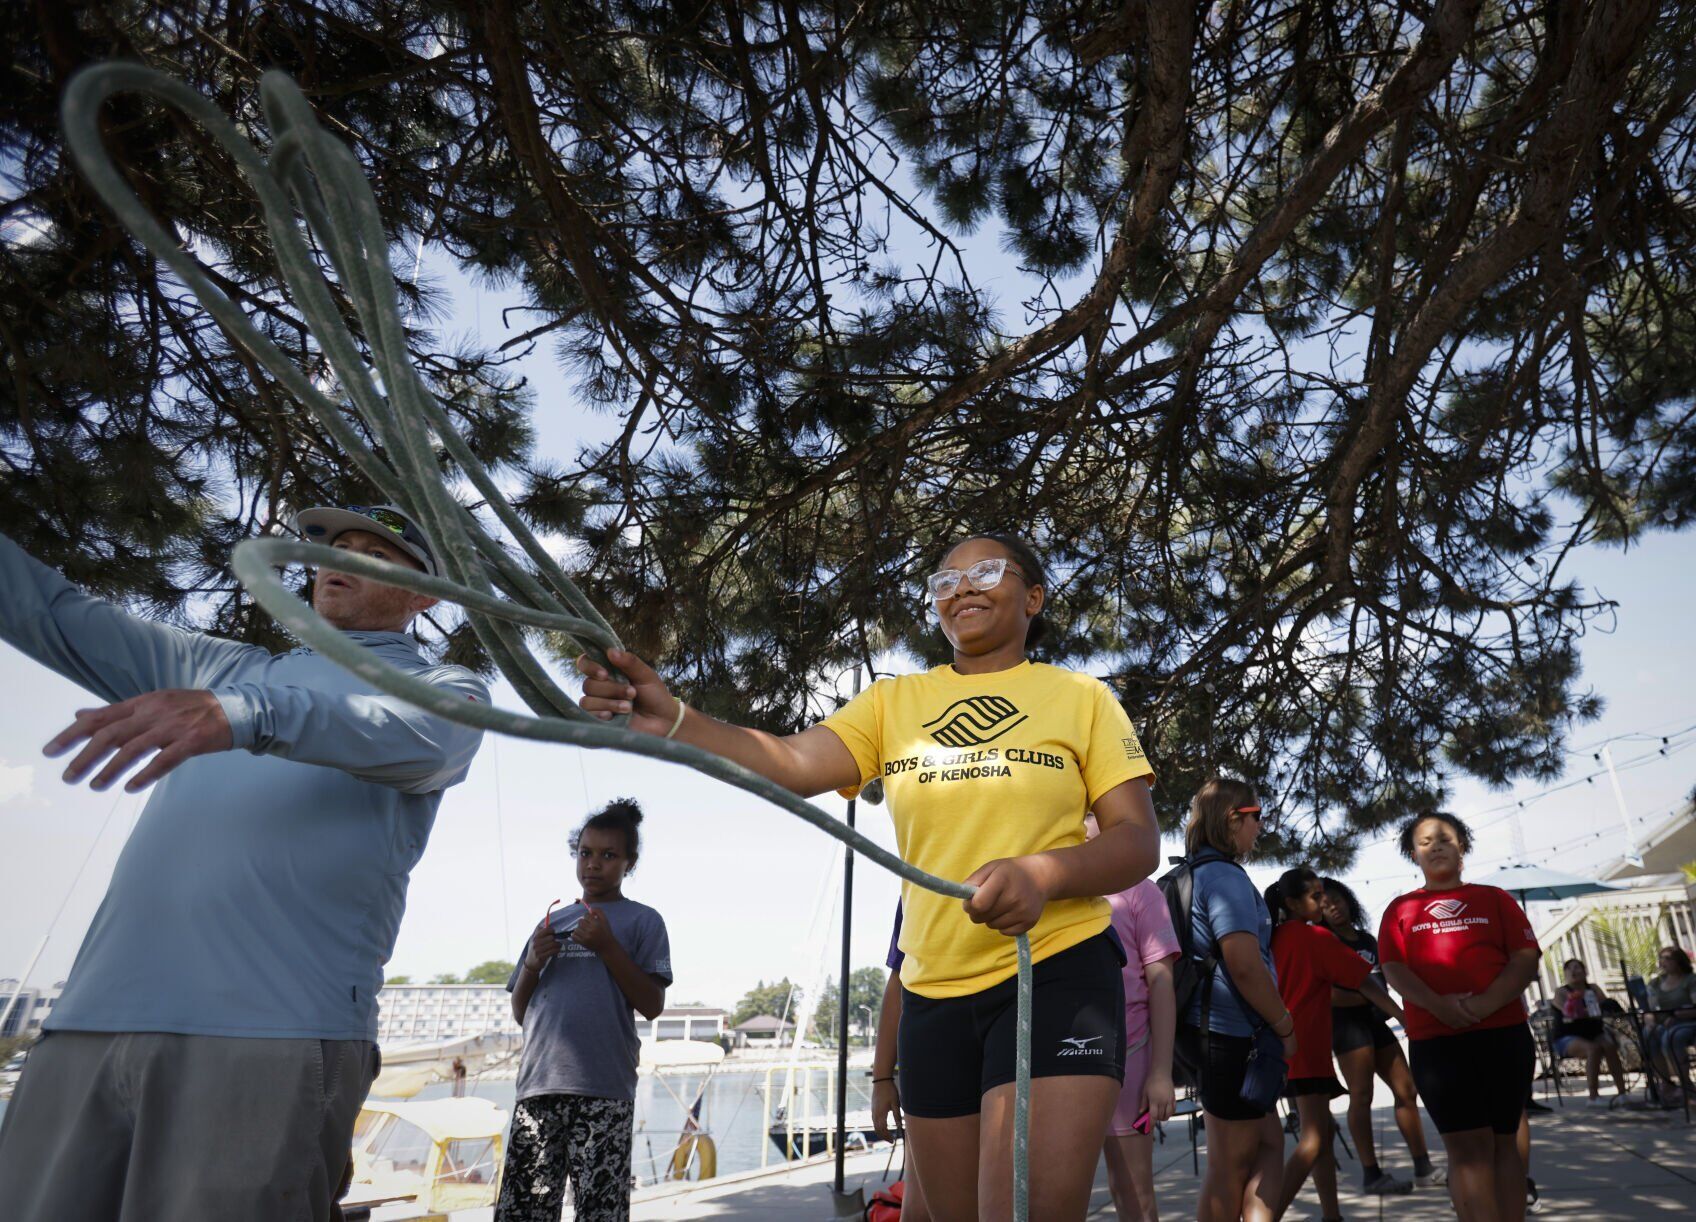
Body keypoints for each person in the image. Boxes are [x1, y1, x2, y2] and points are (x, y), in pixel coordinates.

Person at [577, 533, 1162, 1221]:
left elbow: (1137, 839)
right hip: (933, 996)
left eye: (986, 572)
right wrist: (677, 720)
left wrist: (1043, 872)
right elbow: (793, 762)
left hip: (1057, 976)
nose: (963, 587)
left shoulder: (1081, 697)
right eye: (945, 581)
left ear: (1033, 596)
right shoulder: (893, 703)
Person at [0, 506, 487, 1221]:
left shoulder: (449, 689)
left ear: (425, 597)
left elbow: (425, 739)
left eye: (375, 553)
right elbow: (49, 609)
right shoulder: (224, 668)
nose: (340, 560)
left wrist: (243, 715)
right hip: (85, 1026)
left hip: (269, 1037)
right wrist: (235, 699)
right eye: (334, 548)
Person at [497, 798, 671, 1222]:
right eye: (586, 853)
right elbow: (523, 1012)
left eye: (609, 856)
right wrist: (534, 965)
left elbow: (652, 1004)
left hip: (604, 1088)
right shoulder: (551, 922)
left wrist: (608, 946)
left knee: (600, 1210)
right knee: (525, 1208)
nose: (594, 864)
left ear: (629, 863)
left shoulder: (643, 921)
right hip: (539, 1087)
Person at [1378, 812, 1541, 1222]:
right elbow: (1394, 968)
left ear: (1463, 846)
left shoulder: (1496, 899)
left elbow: (1524, 958)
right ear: (1413, 854)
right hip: (1436, 1043)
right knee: (1466, 1150)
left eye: (1445, 838)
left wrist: (1484, 1005)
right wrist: (1440, 1007)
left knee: (1505, 1142)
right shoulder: (1399, 909)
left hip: (1503, 1036)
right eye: (1425, 841)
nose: (1436, 847)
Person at [1177, 779, 1292, 1222]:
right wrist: (1284, 1025)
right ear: (1233, 818)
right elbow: (1244, 965)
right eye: (1257, 816)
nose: (1260, 828)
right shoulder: (1224, 876)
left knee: (1268, 1144)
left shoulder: (1196, 871)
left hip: (1215, 1033)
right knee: (1230, 1165)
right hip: (1230, 1036)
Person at [1263, 867, 1405, 1222]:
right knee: (1312, 1141)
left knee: (1321, 1136)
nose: (1323, 900)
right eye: (1315, 896)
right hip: (1306, 1053)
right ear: (1294, 903)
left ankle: (1332, 1215)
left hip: (1282, 1050)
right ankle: (1266, 1216)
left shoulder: (1274, 937)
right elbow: (1367, 983)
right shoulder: (1315, 939)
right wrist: (1405, 1016)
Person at [1318, 877, 1442, 1192]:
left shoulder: (1366, 939)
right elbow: (1329, 995)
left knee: (1406, 1090)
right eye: (1325, 904)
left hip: (1378, 1022)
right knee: (1361, 1096)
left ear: (1348, 900)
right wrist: (1369, 996)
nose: (1334, 907)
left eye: (1337, 900)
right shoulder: (1324, 943)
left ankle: (1423, 1167)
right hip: (1347, 1027)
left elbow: (1388, 979)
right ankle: (1371, 1173)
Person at [1095, 817, 1180, 1222]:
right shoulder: (1050, 890)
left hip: (1133, 1056)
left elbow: (1162, 984)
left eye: (1092, 813)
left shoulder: (1143, 893)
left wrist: (1161, 1073)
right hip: (1061, 1060)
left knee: (1134, 1192)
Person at [871, 903, 933, 1221]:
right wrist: (881, 1078)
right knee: (920, 1197)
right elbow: (899, 977)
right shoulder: (916, 883)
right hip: (934, 1047)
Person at [1551, 958, 1627, 1104]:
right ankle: (1593, 1096)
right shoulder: (1561, 992)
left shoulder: (1593, 988)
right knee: (1593, 1049)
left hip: (1593, 1033)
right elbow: (1569, 1012)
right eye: (1569, 969)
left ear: (1585, 971)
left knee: (1610, 1046)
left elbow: (1603, 1005)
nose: (1574, 971)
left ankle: (1622, 1093)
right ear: (1565, 974)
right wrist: (1585, 1010)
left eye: (1577, 967)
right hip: (1567, 1036)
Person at [1643, 946, 1696, 1102]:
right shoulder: (1655, 983)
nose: (1663, 962)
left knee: (1671, 1037)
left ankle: (1685, 1084)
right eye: (1661, 958)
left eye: (1668, 958)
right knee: (1648, 1035)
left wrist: (1678, 1015)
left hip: (1687, 1022)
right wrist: (1649, 1019)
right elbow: (1650, 1007)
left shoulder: (1690, 980)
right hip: (1663, 1023)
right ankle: (1665, 1082)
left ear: (1679, 961)